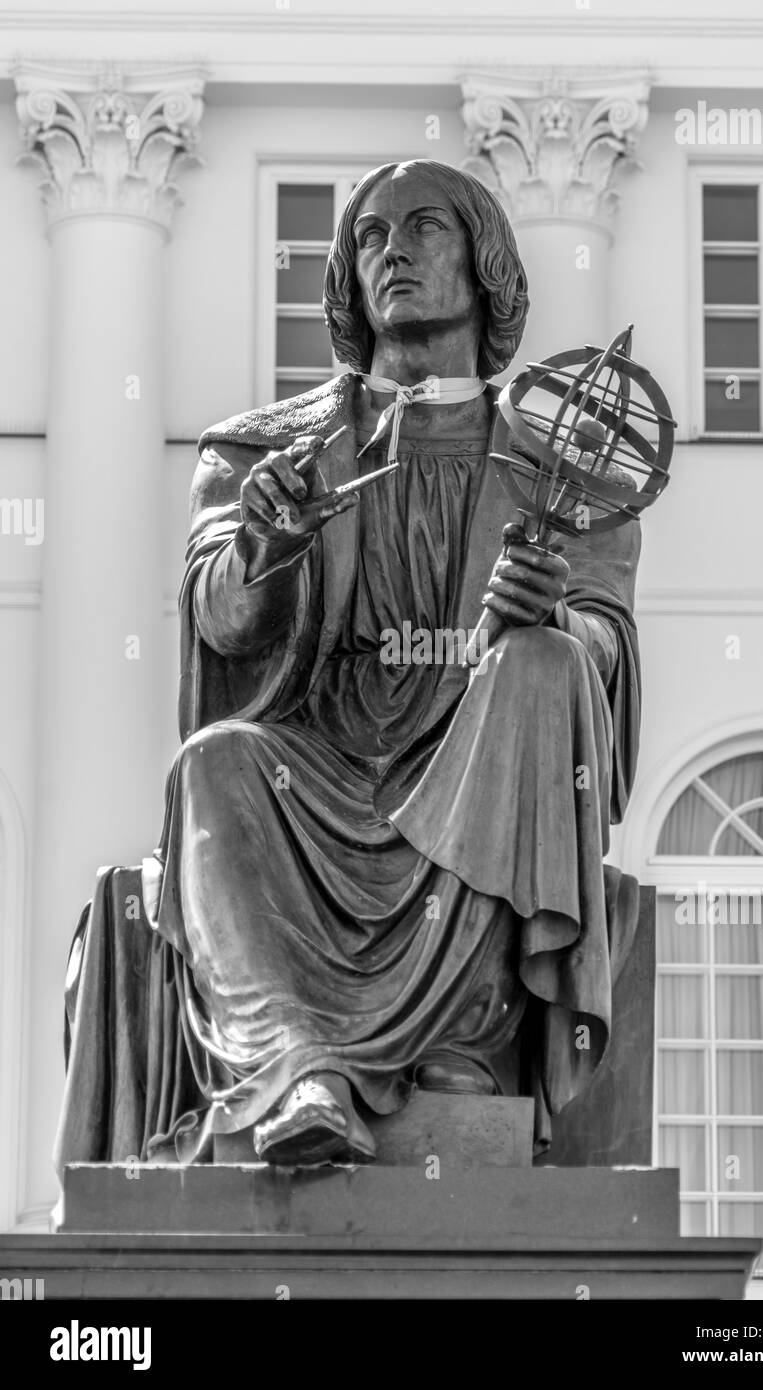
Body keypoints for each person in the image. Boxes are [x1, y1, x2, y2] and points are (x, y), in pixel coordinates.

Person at [56, 158, 643, 1172]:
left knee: (544, 667)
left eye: (423, 229)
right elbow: (220, 621)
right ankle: (297, 1068)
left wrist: (553, 618)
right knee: (213, 764)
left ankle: (465, 1039)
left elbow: (605, 644)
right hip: (312, 769)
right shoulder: (261, 452)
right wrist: (262, 547)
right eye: (370, 238)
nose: (392, 252)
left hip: (475, 764)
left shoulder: (564, 470)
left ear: (486, 266)